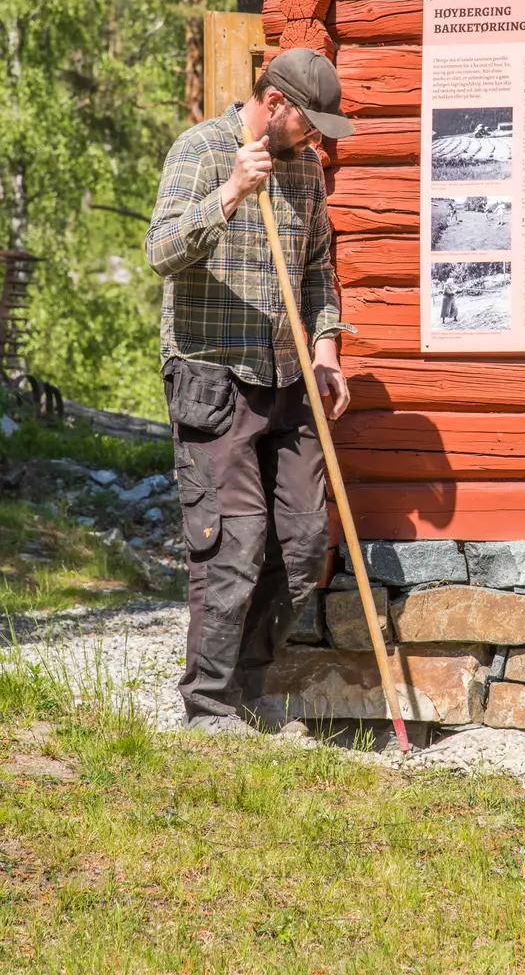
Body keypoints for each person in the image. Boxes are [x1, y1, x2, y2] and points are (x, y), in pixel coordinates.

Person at [145, 48, 356, 738]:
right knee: (232, 545)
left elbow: (319, 269)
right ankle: (207, 705)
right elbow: (162, 252)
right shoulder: (203, 151)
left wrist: (325, 349)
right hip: (212, 377)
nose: (318, 138)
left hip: (289, 377)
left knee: (299, 544)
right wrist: (231, 192)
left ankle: (248, 687)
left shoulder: (306, 169)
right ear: (278, 105)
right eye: (311, 123)